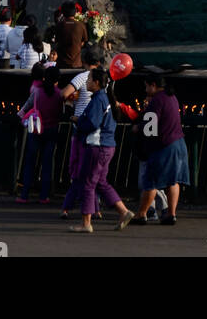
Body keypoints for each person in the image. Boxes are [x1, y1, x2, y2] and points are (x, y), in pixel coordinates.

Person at [70, 67, 133, 233]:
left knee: (88, 183)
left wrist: (78, 121)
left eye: (89, 79)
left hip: (97, 146)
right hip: (107, 146)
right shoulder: (105, 99)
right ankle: (123, 211)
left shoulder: (98, 100)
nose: (87, 82)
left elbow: (92, 123)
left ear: (96, 83)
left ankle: (86, 223)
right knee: (101, 182)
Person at [130, 70, 189, 226]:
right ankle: (171, 214)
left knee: (150, 181)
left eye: (146, 86)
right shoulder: (172, 97)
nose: (145, 90)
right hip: (179, 143)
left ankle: (141, 214)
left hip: (164, 146)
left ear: (153, 85)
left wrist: (138, 128)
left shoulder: (157, 100)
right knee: (173, 181)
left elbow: (150, 127)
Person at [60, 46, 103, 215]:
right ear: (98, 62)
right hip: (97, 130)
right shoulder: (103, 80)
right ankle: (96, 208)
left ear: (83, 61)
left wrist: (72, 101)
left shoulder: (82, 77)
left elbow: (64, 94)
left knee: (77, 170)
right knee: (94, 172)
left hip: (80, 129)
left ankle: (68, 207)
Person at [17, 63, 63, 203]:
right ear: (57, 80)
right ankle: (44, 196)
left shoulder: (37, 92)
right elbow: (61, 113)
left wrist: (23, 118)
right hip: (52, 130)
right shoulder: (59, 94)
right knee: (47, 164)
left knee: (30, 163)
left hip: (37, 129)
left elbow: (23, 110)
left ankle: (24, 195)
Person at [55, 1, 88, 69]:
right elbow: (83, 42)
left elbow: (57, 41)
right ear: (75, 12)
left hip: (62, 64)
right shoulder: (81, 25)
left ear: (63, 13)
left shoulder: (59, 25)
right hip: (76, 64)